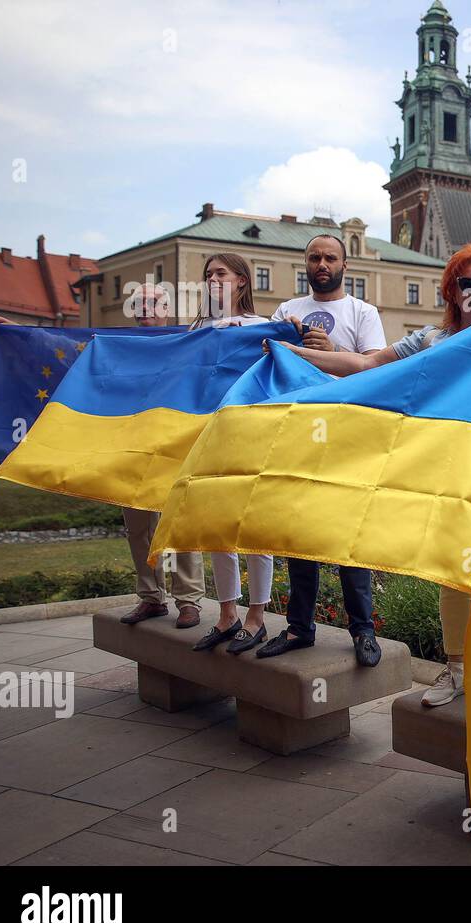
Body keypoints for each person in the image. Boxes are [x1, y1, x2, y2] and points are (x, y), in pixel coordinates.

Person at [273, 242, 471, 704]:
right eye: (467, 283)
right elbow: (365, 364)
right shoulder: (431, 341)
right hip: (457, 474)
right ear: (452, 290)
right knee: (455, 573)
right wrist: (294, 354)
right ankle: (457, 671)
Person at [255, 234, 388, 666]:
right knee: (299, 533)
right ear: (305, 264)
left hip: (346, 434)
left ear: (345, 265)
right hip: (297, 433)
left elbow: (374, 367)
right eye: (315, 257)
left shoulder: (362, 312)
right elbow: (266, 360)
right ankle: (298, 627)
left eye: (331, 257)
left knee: (350, 537)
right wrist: (276, 343)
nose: (322, 263)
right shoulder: (286, 311)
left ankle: (363, 630)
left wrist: (333, 351)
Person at [186, 253, 277, 655]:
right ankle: (227, 614)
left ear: (241, 281)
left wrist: (291, 331)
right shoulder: (195, 329)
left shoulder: (262, 327)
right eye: (207, 275)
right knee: (217, 529)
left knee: (254, 526)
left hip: (250, 436)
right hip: (207, 436)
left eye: (219, 273)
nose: (212, 280)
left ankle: (256, 617)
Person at [117, 283, 207, 627]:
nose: (144, 309)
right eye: (138, 303)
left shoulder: (187, 342)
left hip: (175, 449)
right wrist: (12, 332)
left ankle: (189, 601)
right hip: (134, 448)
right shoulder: (122, 347)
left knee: (179, 526)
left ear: (167, 309)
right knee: (138, 530)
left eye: (152, 303)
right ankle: (151, 597)